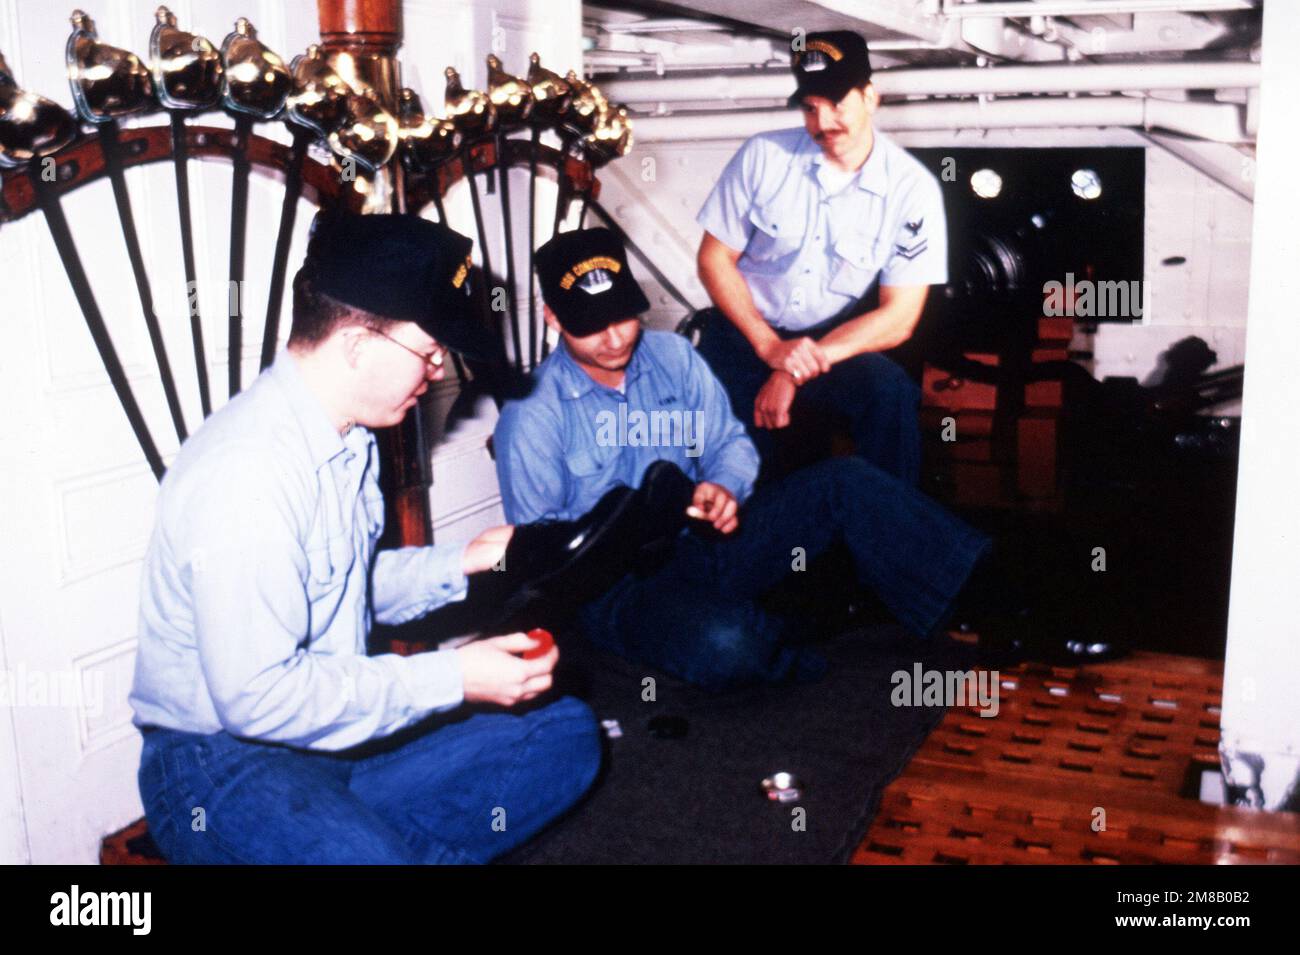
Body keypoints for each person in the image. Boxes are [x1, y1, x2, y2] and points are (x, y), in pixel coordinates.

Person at [129, 212, 601, 865]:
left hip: (332, 741)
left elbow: (343, 586)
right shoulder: (247, 473)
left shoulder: (347, 438)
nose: (439, 371)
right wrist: (454, 675)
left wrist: (465, 559)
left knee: (567, 732)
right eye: (431, 350)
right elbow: (259, 698)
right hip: (218, 764)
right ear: (356, 344)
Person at [494, 228, 1113, 694]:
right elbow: (548, 554)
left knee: (846, 483)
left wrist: (725, 487)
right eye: (590, 326)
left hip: (705, 539)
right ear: (552, 318)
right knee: (728, 646)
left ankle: (1010, 603)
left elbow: (729, 443)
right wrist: (639, 522)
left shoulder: (672, 358)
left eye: (623, 317)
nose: (615, 338)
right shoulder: (533, 413)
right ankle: (791, 627)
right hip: (621, 585)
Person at [695, 30, 944, 486]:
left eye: (837, 104)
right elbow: (714, 258)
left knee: (889, 394)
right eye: (810, 107)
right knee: (724, 469)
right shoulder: (762, 156)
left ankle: (896, 537)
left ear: (871, 97)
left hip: (830, 344)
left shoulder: (913, 190)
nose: (823, 122)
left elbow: (899, 318)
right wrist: (769, 347)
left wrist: (792, 368)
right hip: (745, 333)